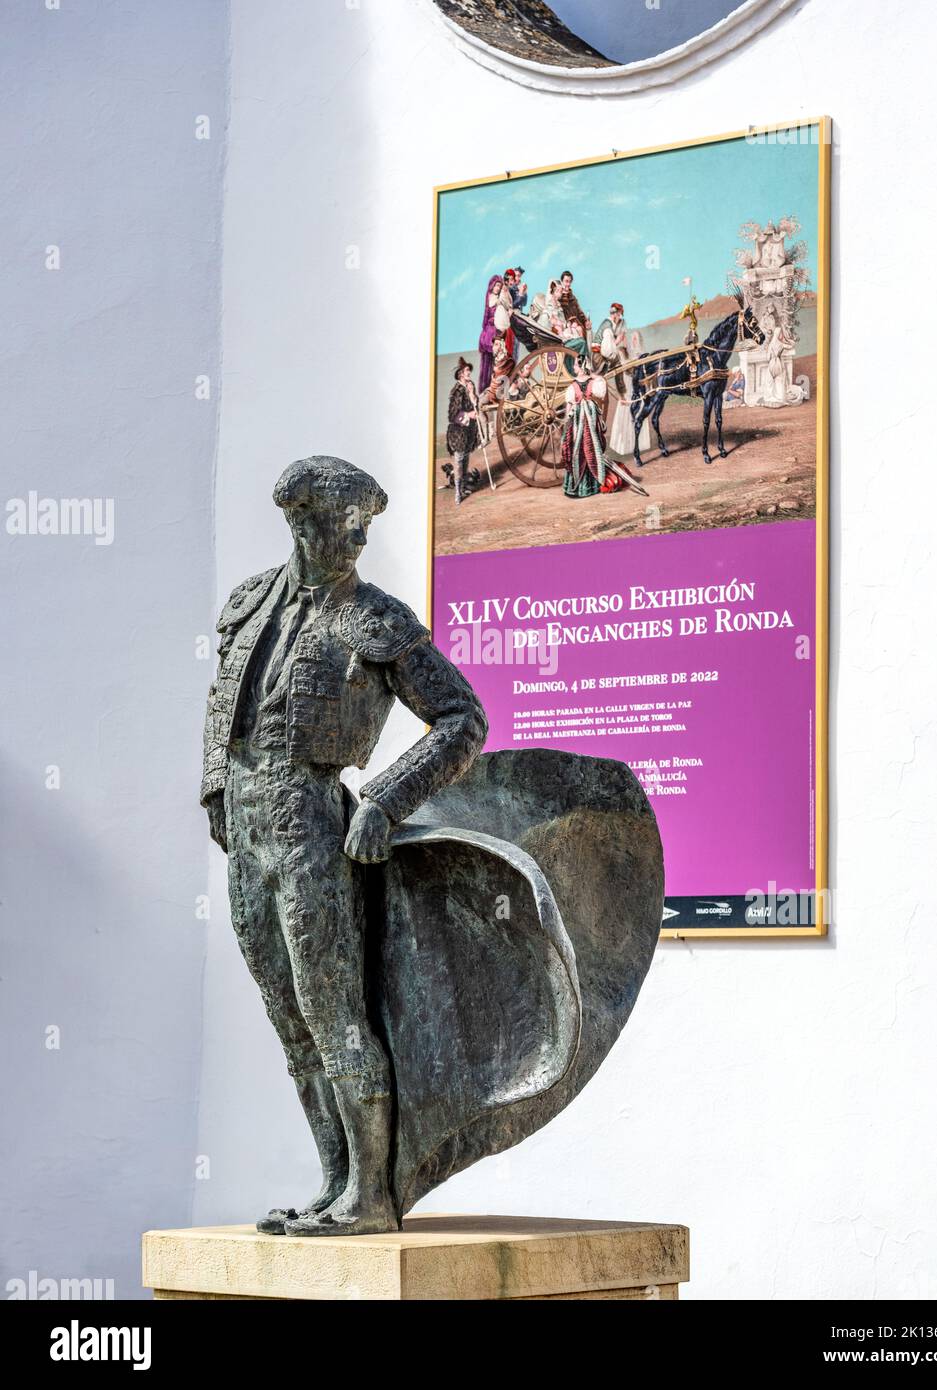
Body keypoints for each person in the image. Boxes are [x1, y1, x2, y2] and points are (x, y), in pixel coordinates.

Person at [201, 456, 487, 1236]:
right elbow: (227, 707)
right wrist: (217, 797)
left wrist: (387, 802)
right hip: (252, 827)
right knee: (287, 1015)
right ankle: (336, 1182)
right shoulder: (250, 603)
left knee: (331, 1011)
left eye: (368, 519)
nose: (361, 532)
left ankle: (371, 1195)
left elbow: (464, 718)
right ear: (300, 519)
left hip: (311, 821)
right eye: (348, 514)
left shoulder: (376, 618)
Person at [560, 356, 625, 499]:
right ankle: (587, 485)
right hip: (586, 420)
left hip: (583, 421)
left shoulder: (577, 386)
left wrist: (567, 423)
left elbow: (569, 407)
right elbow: (598, 399)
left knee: (585, 449)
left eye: (576, 366)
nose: (574, 368)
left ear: (582, 367)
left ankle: (586, 486)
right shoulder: (591, 383)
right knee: (585, 449)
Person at [445, 357, 481, 505]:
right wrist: (468, 415)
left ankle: (464, 487)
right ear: (460, 374)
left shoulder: (469, 387)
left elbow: (475, 404)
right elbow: (452, 415)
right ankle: (457, 493)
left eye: (469, 370)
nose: (469, 373)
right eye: (466, 370)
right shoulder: (457, 391)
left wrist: (472, 394)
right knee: (459, 462)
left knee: (465, 460)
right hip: (458, 433)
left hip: (469, 432)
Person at [478, 275, 504, 393]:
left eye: (500, 286)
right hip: (490, 332)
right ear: (492, 286)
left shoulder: (498, 298)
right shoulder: (491, 298)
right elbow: (488, 315)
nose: (498, 288)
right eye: (496, 285)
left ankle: (495, 388)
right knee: (488, 363)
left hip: (497, 331)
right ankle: (485, 388)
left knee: (497, 362)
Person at [597, 301, 629, 397]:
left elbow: (621, 336)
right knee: (616, 363)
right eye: (613, 313)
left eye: (617, 313)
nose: (615, 315)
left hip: (617, 345)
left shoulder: (622, 322)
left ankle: (622, 391)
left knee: (620, 359)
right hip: (607, 346)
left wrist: (614, 345)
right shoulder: (608, 322)